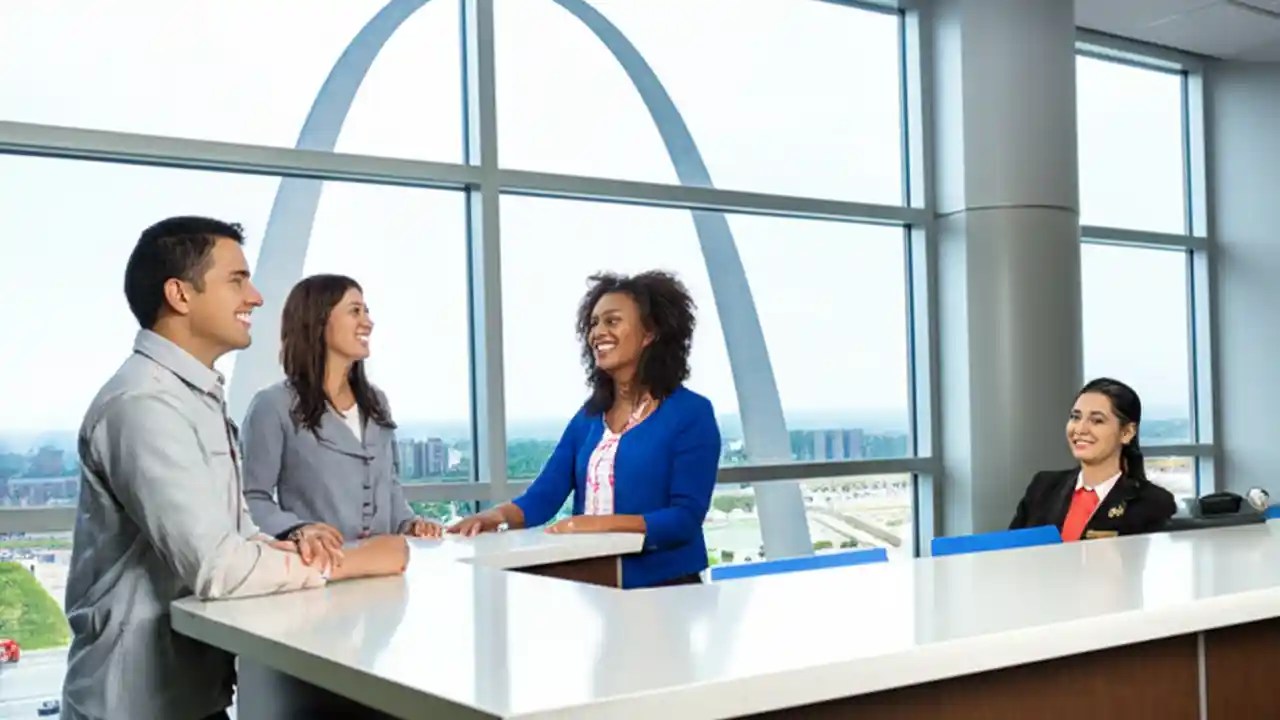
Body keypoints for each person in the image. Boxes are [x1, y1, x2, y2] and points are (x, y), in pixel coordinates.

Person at [62, 217, 410, 720]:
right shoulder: (144, 405)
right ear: (180, 295)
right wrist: (350, 561)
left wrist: (290, 544)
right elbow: (217, 565)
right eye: (237, 280)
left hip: (190, 693)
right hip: (137, 703)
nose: (257, 297)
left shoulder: (193, 396)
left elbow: (237, 531)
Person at [450, 270, 721, 588]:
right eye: (593, 323)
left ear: (649, 333)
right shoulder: (589, 418)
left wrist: (598, 525)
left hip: (664, 585)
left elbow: (684, 519)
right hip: (592, 580)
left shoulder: (691, 414)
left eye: (612, 321)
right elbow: (545, 495)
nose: (598, 332)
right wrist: (495, 517)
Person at [241, 274, 441, 552]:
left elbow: (389, 486)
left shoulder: (376, 403)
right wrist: (297, 529)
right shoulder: (273, 406)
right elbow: (252, 498)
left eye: (366, 311)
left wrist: (409, 523)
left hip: (384, 572)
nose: (368, 322)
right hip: (318, 573)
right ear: (318, 320)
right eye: (355, 311)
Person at [1010, 377, 1176, 541]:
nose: (1080, 429)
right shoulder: (1043, 487)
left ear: (1126, 433)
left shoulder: (1153, 503)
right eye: (1075, 417)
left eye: (1097, 420)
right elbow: (1010, 554)